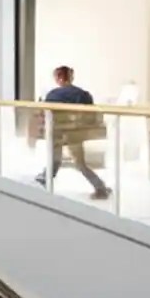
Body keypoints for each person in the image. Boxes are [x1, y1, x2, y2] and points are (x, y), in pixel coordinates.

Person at [34, 66, 111, 200]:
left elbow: (45, 115)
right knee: (80, 163)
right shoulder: (83, 94)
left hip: (57, 132)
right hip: (76, 133)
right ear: (71, 77)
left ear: (58, 78)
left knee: (55, 160)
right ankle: (99, 186)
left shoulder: (53, 95)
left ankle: (44, 182)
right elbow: (91, 115)